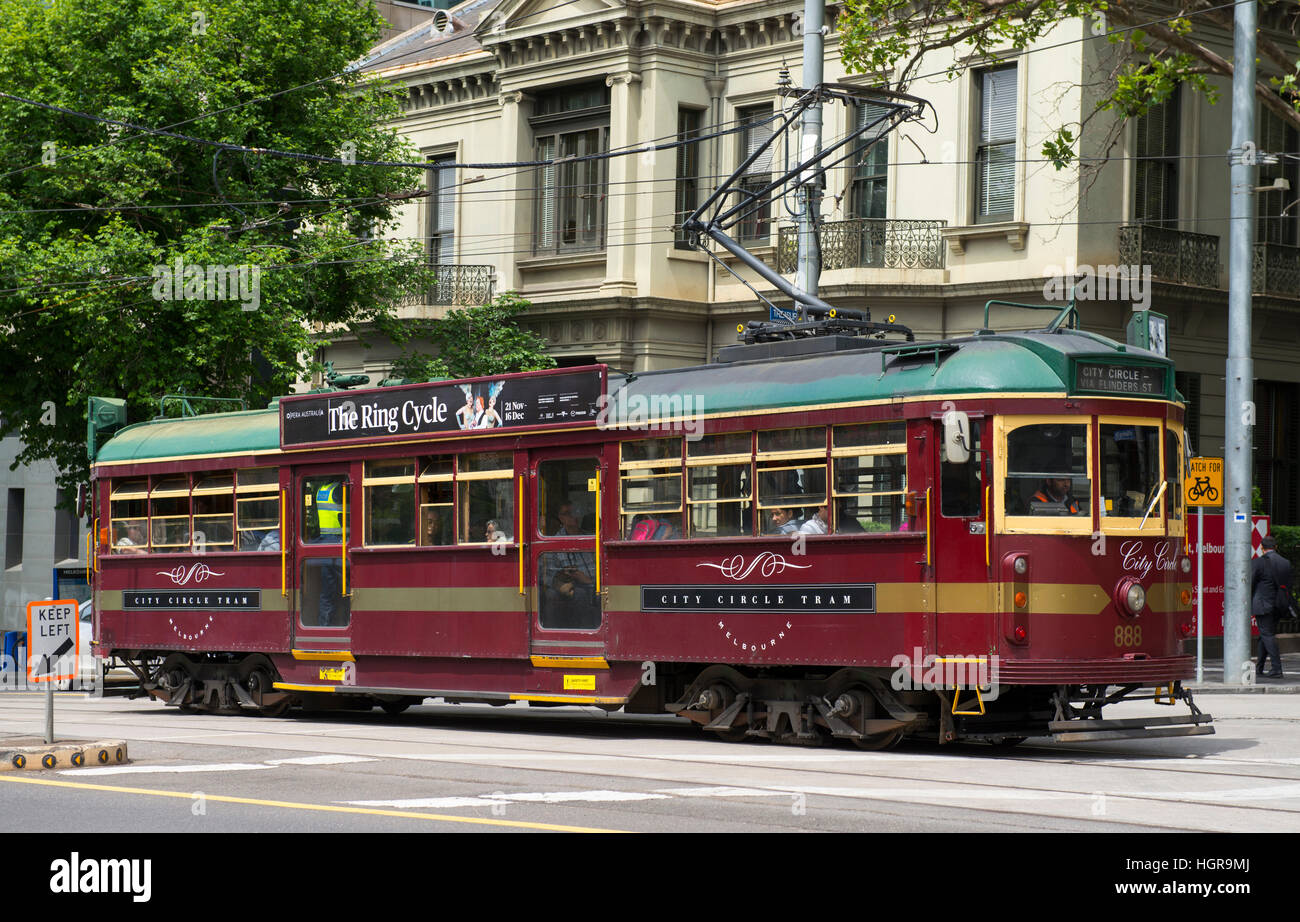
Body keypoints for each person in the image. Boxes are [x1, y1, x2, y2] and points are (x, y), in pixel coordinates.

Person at [1253, 535, 1294, 678]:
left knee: (1267, 635)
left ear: (1261, 547)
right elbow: (1289, 585)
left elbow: (1251, 583)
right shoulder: (1285, 562)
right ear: (1275, 547)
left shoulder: (1258, 563)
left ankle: (1276, 668)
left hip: (1263, 604)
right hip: (1279, 604)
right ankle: (1259, 667)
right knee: (1264, 634)